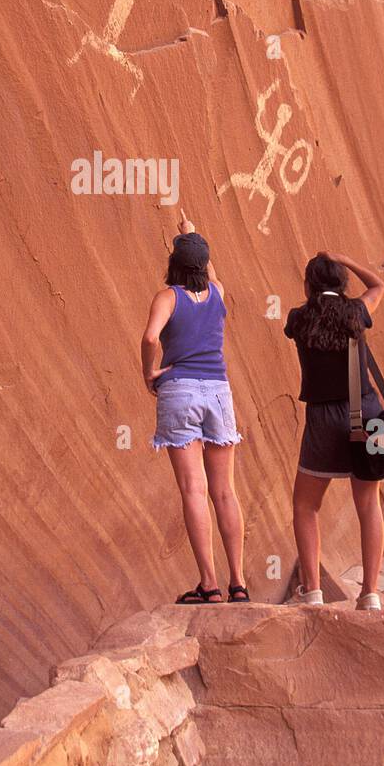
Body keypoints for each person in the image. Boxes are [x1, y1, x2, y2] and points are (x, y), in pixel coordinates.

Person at [141, 210, 248, 604]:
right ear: (203, 264)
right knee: (225, 492)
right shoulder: (217, 292)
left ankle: (210, 584)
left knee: (193, 490)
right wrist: (194, 233)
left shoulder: (168, 297)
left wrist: (148, 372)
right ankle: (238, 582)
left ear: (173, 264)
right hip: (219, 391)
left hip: (180, 389)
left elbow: (151, 336)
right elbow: (209, 267)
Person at [284, 251, 384, 611]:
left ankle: (312, 592)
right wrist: (348, 259)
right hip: (363, 413)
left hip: (323, 419)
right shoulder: (356, 312)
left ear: (309, 283)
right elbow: (378, 284)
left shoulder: (298, 319)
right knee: (368, 503)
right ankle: (370, 593)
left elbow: (302, 322)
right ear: (342, 283)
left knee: (305, 505)